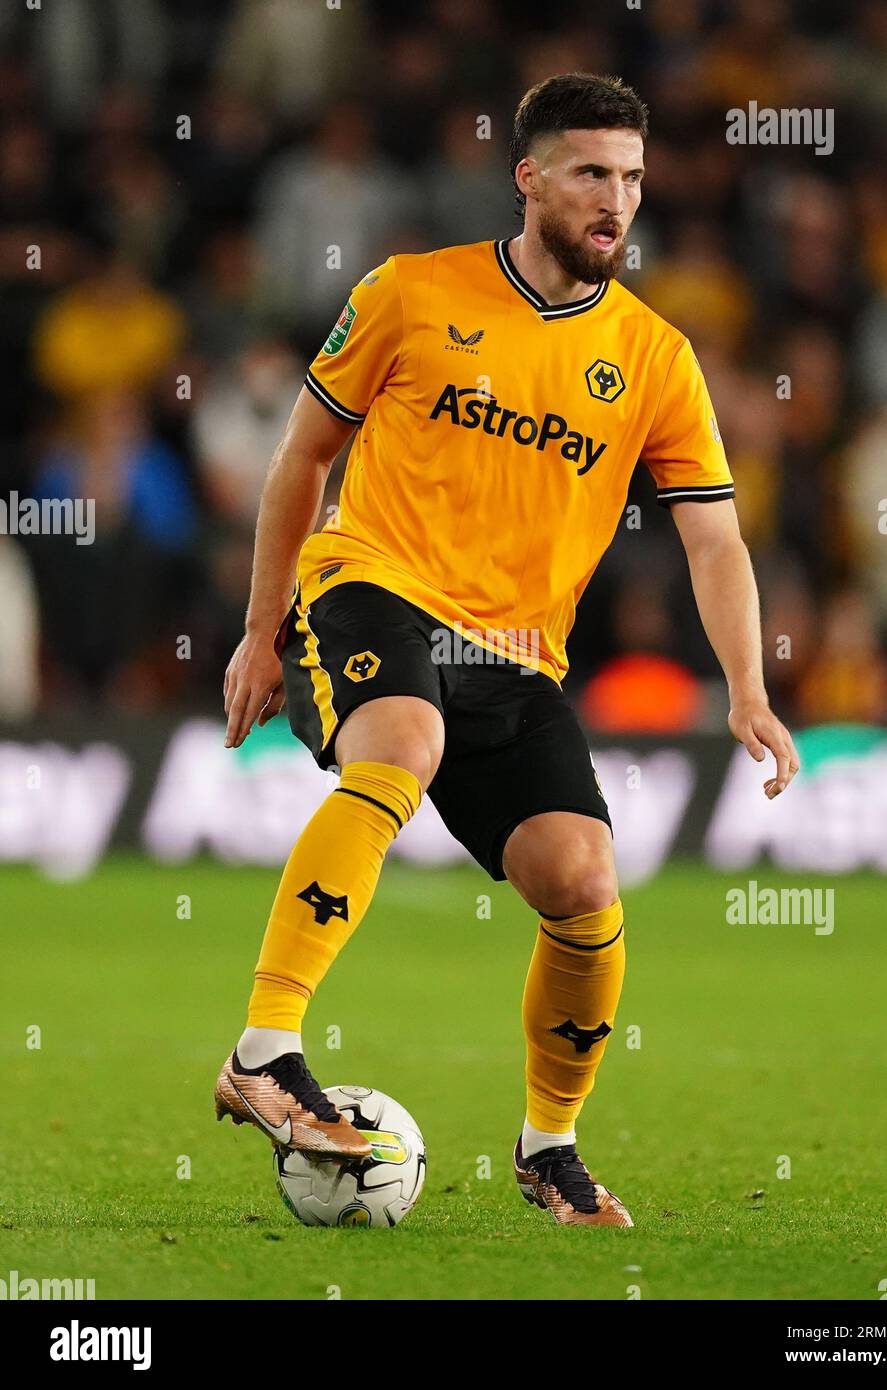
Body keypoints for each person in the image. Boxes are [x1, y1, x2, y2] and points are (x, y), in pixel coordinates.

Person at [215, 73, 799, 1228]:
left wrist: (748, 685)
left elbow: (715, 536)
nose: (615, 201)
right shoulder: (410, 292)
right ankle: (265, 1049)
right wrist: (258, 626)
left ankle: (550, 1147)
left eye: (632, 178)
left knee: (582, 883)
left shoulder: (653, 357)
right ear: (527, 177)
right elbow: (303, 458)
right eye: (591, 173)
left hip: (517, 655)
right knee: (404, 739)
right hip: (368, 585)